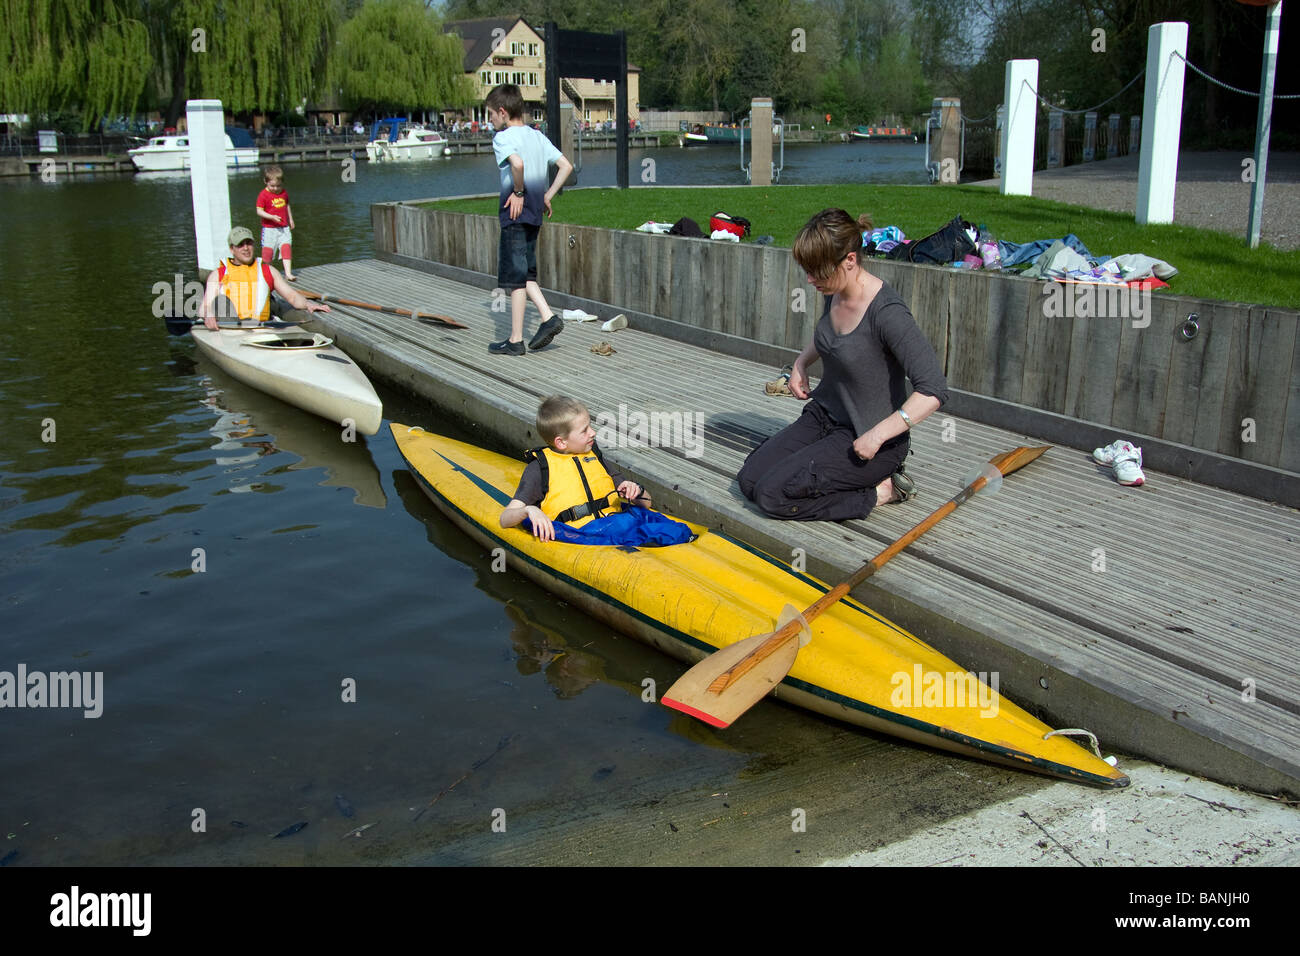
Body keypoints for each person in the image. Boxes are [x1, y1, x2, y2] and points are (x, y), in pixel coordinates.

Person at [737, 208, 949, 521]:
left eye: (817, 271)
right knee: (750, 480)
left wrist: (878, 436)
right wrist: (801, 363)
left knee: (772, 496)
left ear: (850, 260)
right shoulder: (833, 288)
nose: (810, 280)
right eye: (807, 271)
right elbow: (830, 335)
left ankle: (882, 491)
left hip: (869, 437)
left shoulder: (887, 313)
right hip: (823, 417)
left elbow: (933, 389)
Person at [501, 396, 695, 547]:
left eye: (590, 426)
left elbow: (647, 503)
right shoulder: (539, 469)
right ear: (561, 442)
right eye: (584, 430)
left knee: (674, 529)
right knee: (658, 533)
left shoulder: (595, 456)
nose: (593, 432)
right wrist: (529, 510)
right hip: (582, 535)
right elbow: (505, 518)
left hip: (616, 524)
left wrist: (636, 490)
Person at [482, 84, 575, 356]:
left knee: (515, 278)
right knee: (525, 272)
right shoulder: (537, 136)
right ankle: (547, 318)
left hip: (515, 211)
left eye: (491, 115)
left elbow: (518, 165)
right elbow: (566, 166)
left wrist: (519, 192)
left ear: (502, 112)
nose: (490, 121)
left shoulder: (502, 138)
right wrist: (547, 195)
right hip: (535, 212)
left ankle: (515, 340)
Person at [200, 226, 330, 329]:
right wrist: (209, 314)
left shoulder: (268, 271)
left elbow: (292, 296)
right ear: (232, 249)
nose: (246, 248)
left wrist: (308, 304)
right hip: (230, 329)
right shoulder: (218, 274)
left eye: (249, 243)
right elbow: (204, 307)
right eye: (240, 244)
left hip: (261, 328)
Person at [255, 165, 297, 281]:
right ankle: (266, 273)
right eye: (272, 186)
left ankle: (288, 273)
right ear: (265, 182)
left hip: (284, 227)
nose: (275, 188)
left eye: (278, 186)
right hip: (269, 228)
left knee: (286, 248)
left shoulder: (283, 193)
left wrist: (291, 219)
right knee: (268, 253)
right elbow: (259, 211)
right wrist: (271, 217)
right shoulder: (263, 195)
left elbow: (286, 205)